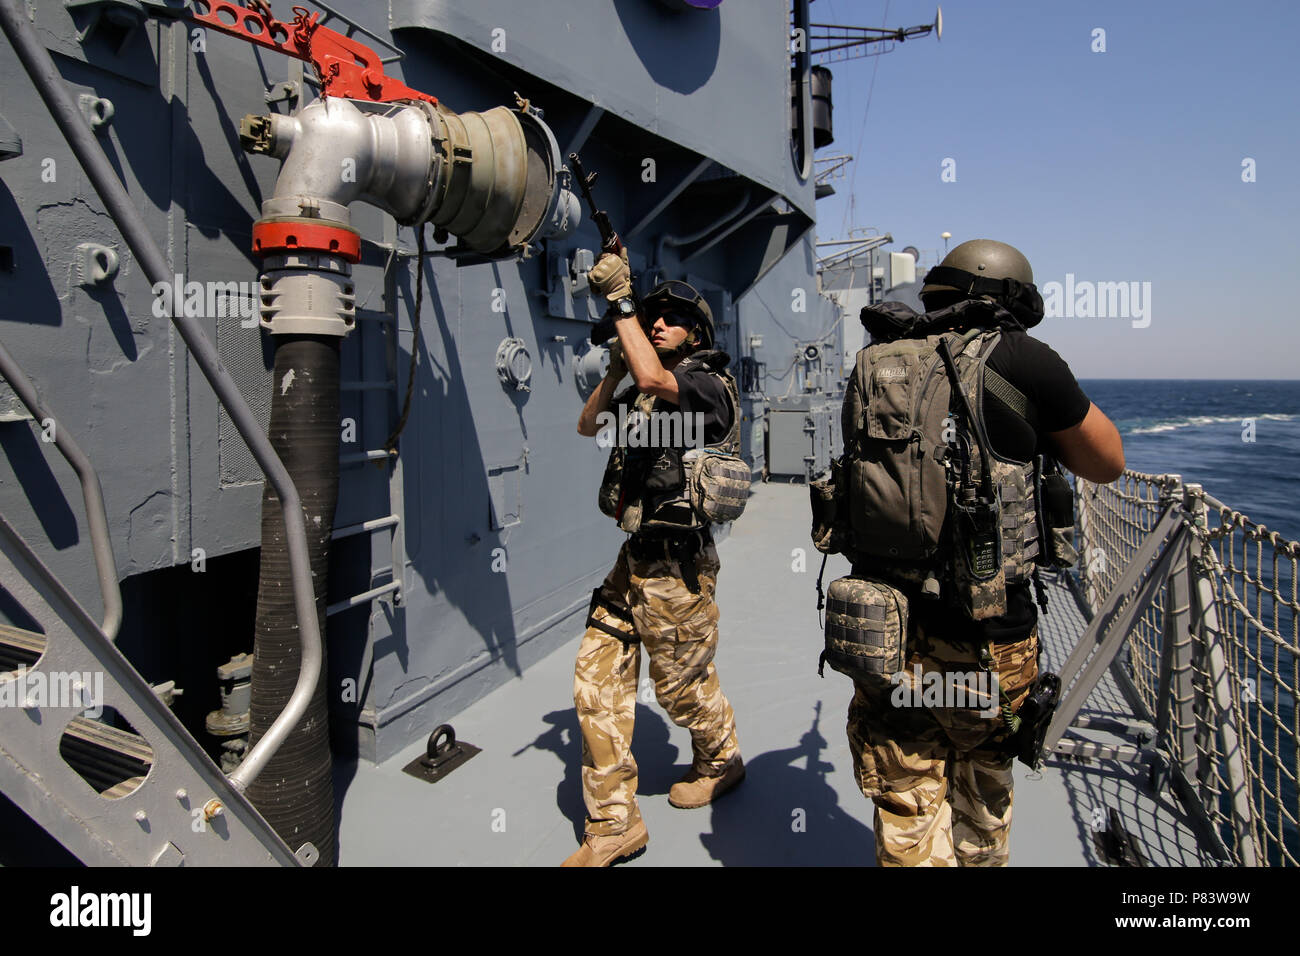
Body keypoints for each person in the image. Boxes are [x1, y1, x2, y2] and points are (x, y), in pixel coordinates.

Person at [841, 239, 1124, 866]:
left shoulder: (874, 365)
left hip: (886, 624)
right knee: (983, 782)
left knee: (906, 796)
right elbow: (1108, 463)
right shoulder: (1024, 358)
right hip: (989, 631)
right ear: (1009, 296)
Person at [563, 251, 745, 867]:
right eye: (652, 316)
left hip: (678, 567)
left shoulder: (705, 384)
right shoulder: (641, 394)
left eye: (671, 318)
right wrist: (612, 370)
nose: (658, 323)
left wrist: (622, 306)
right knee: (596, 679)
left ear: (695, 333)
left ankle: (721, 756)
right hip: (632, 558)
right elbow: (589, 427)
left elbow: (655, 379)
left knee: (682, 692)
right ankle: (614, 822)